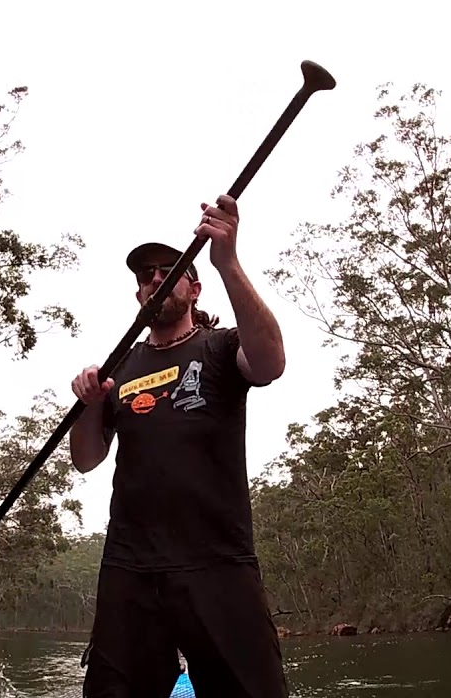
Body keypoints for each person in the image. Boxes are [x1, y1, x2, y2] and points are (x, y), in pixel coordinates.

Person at [68, 195, 288, 698]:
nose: (155, 279)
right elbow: (86, 459)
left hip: (218, 562)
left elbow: (271, 363)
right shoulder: (119, 368)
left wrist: (228, 261)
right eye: (146, 275)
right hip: (130, 566)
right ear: (139, 293)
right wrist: (89, 406)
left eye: (169, 272)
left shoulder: (221, 346)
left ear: (194, 288)